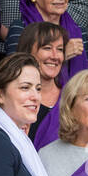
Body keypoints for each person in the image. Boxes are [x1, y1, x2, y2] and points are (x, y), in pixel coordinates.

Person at [2, 0, 85, 72]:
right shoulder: (20, 29)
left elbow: (87, 81)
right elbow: (13, 74)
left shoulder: (79, 31)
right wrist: (62, 55)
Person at [18, 21, 67, 149]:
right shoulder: (15, 99)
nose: (55, 56)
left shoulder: (73, 97)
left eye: (60, 49)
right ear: (28, 51)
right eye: (47, 48)